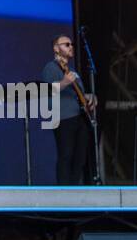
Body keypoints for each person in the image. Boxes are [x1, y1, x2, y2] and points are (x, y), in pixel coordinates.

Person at [40, 34, 96, 184]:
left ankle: (74, 190)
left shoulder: (72, 71)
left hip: (80, 117)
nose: (71, 46)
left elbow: (80, 94)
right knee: (66, 155)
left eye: (71, 44)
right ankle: (63, 193)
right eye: (66, 44)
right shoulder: (50, 68)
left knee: (80, 158)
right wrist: (64, 82)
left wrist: (90, 98)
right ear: (56, 48)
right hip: (63, 118)